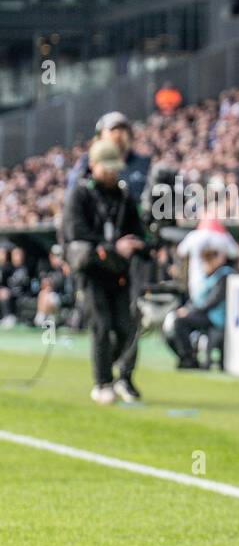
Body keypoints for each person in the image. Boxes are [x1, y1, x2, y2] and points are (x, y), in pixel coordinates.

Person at [62, 140, 146, 405]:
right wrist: (112, 247)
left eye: (115, 168)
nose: (112, 173)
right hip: (92, 272)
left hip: (119, 273)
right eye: (106, 168)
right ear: (93, 166)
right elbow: (77, 233)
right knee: (101, 325)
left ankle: (113, 373)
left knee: (126, 327)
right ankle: (102, 382)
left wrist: (139, 244)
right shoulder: (80, 195)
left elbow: (138, 231)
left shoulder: (124, 197)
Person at [163, 248, 233, 369]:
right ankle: (187, 356)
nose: (206, 265)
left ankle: (189, 358)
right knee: (172, 324)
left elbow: (213, 301)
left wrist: (190, 311)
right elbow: (197, 299)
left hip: (215, 317)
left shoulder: (224, 275)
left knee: (180, 323)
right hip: (203, 313)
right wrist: (187, 309)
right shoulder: (209, 276)